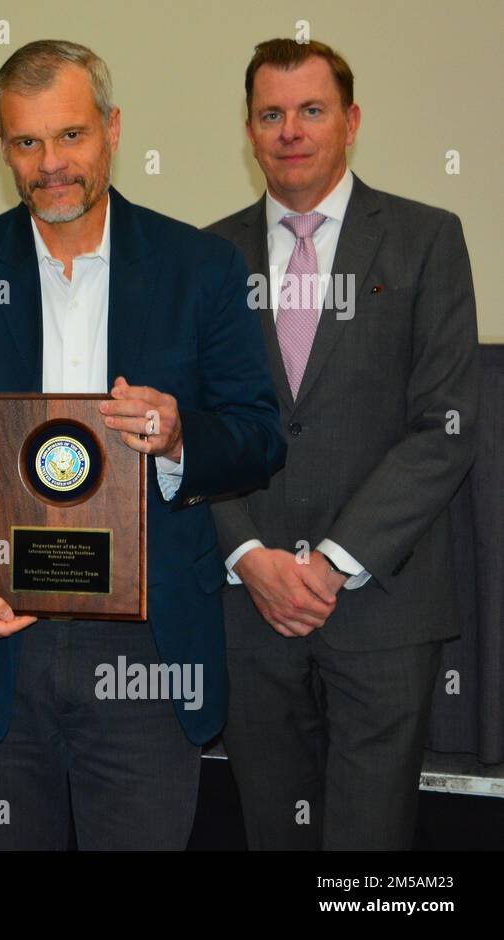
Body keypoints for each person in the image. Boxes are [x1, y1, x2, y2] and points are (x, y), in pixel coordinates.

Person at [0, 40, 284, 850]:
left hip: (146, 650)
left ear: (112, 129)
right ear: (3, 150)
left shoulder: (200, 268)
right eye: (26, 142)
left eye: (70, 136)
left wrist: (176, 439)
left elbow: (257, 437)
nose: (50, 163)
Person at [207, 39, 479, 850]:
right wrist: (251, 554)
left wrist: (330, 563)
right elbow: (191, 433)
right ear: (250, 131)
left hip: (381, 606)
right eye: (271, 114)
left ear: (350, 122)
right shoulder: (206, 258)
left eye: (312, 110)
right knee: (271, 831)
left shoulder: (427, 240)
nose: (291, 130)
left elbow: (447, 426)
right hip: (249, 606)